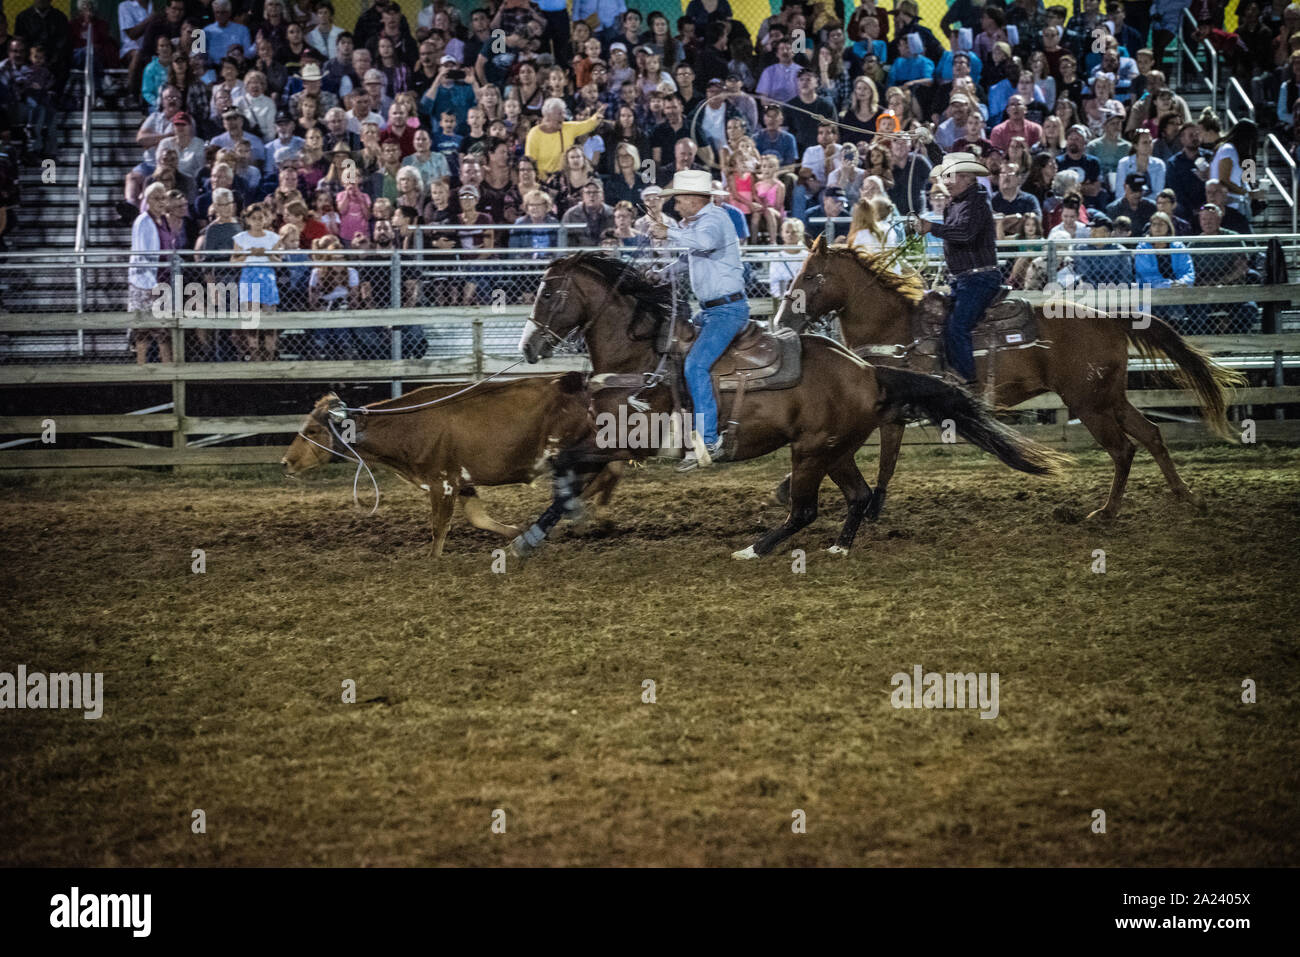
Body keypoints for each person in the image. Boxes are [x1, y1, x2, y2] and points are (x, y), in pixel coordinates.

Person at [648, 169, 747, 469]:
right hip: (713, 310)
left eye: (678, 201)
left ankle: (709, 440)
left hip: (726, 312)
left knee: (695, 364)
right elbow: (689, 257)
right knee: (682, 359)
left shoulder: (714, 220)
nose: (676, 207)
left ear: (692, 199)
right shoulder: (704, 221)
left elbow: (703, 243)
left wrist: (668, 231)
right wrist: (661, 273)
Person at [914, 152, 1000, 387]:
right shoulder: (959, 204)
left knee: (957, 326)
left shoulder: (977, 203)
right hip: (965, 280)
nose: (947, 182)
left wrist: (932, 227)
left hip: (980, 278)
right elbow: (943, 155)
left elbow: (965, 234)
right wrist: (929, 141)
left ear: (967, 177)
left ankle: (968, 384)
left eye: (951, 177)